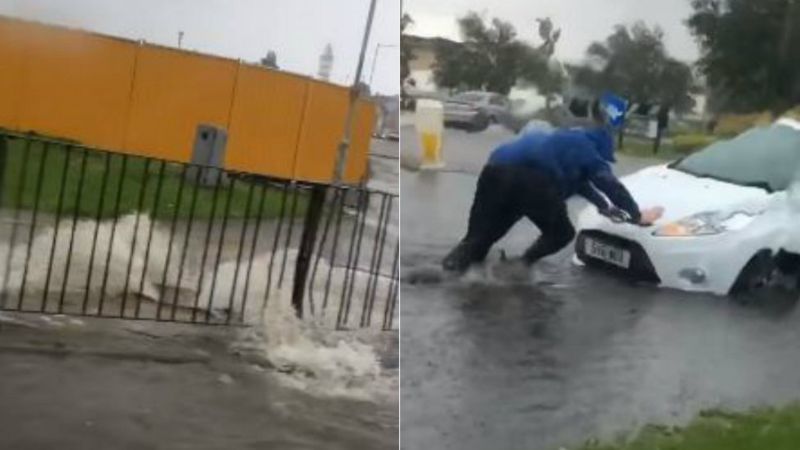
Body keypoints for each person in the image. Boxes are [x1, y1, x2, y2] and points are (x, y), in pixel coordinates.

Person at [442, 93, 657, 273]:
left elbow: (582, 183)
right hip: (532, 178)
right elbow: (608, 183)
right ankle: (519, 267)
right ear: (603, 147)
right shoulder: (587, 148)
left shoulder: (564, 138)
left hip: (495, 168)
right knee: (562, 234)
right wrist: (636, 215)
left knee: (481, 236)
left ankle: (449, 274)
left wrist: (604, 207)